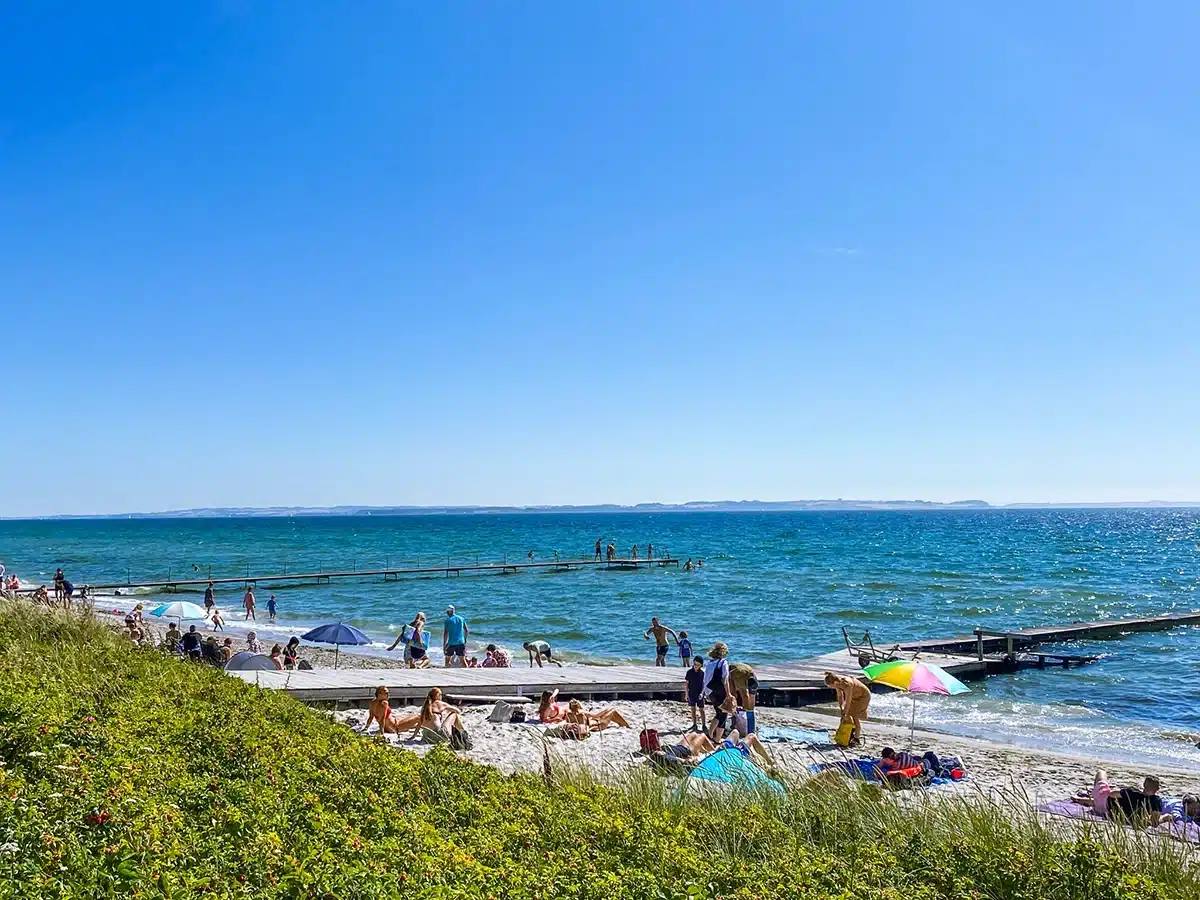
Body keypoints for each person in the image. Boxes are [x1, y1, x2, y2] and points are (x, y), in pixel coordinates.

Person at [1088, 772, 1169, 824]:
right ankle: (1086, 800)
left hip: (1105, 807)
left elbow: (1111, 794)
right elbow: (1154, 822)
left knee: (1101, 773)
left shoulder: (1132, 792)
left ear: (1144, 786)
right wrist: (1164, 818)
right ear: (1157, 790)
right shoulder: (1157, 801)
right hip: (1119, 817)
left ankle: (1091, 798)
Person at [825, 671, 871, 746]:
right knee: (847, 715)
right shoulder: (838, 683)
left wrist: (844, 714)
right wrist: (841, 710)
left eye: (831, 686)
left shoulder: (847, 684)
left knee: (855, 716)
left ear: (835, 682)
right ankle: (850, 733)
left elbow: (848, 701)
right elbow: (840, 697)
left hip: (863, 696)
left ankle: (856, 738)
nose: (831, 688)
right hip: (854, 696)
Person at [705, 642, 733, 741]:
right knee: (724, 715)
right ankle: (717, 739)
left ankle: (710, 735)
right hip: (720, 692)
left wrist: (706, 693)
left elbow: (706, 679)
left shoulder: (710, 663)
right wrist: (728, 693)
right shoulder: (723, 662)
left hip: (711, 691)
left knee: (718, 712)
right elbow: (725, 679)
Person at [728, 661, 759, 735]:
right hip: (736, 672)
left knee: (752, 696)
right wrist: (744, 711)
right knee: (735, 694)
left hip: (747, 671)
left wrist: (749, 710)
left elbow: (750, 696)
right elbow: (744, 696)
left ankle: (749, 714)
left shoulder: (753, 679)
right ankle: (735, 714)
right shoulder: (739, 677)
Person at [565, 698, 630, 731]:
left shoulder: (568, 714)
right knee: (612, 711)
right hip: (599, 725)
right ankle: (626, 726)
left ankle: (622, 724)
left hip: (591, 725)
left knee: (611, 712)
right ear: (578, 706)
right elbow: (597, 715)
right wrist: (605, 711)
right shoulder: (582, 713)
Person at [684, 655, 708, 732]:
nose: (695, 666)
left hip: (700, 693)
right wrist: (686, 694)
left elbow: (704, 685)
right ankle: (694, 724)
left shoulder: (702, 673)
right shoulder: (689, 672)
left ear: (701, 665)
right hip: (691, 693)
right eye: (694, 664)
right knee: (693, 709)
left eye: (697, 665)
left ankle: (704, 725)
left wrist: (702, 693)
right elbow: (686, 684)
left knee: (702, 710)